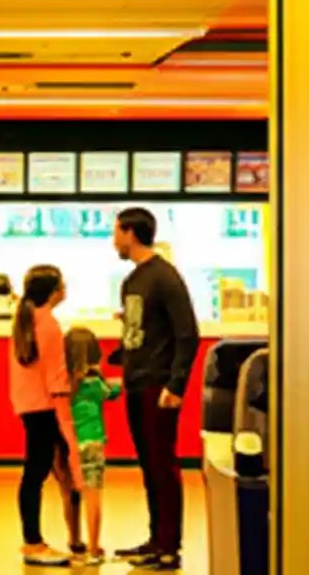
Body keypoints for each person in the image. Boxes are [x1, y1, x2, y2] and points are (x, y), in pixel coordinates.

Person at [110, 207, 200, 572]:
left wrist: (176, 383)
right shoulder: (132, 282)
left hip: (159, 384)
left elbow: (186, 333)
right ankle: (155, 538)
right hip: (136, 381)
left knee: (163, 464)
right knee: (148, 464)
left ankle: (169, 547)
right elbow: (141, 334)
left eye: (116, 232)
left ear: (131, 232)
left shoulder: (165, 277)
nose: (114, 239)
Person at [8, 265, 80, 566]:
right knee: (36, 472)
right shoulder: (49, 324)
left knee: (35, 472)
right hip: (45, 406)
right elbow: (56, 376)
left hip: (27, 404)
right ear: (54, 292)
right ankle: (33, 542)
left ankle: (34, 539)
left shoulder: (23, 321)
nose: (65, 289)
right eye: (62, 285)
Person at [63, 327, 124, 565]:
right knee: (93, 493)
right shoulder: (95, 384)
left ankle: (74, 538)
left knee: (70, 492)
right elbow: (113, 391)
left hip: (70, 442)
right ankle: (94, 544)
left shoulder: (64, 384)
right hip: (93, 442)